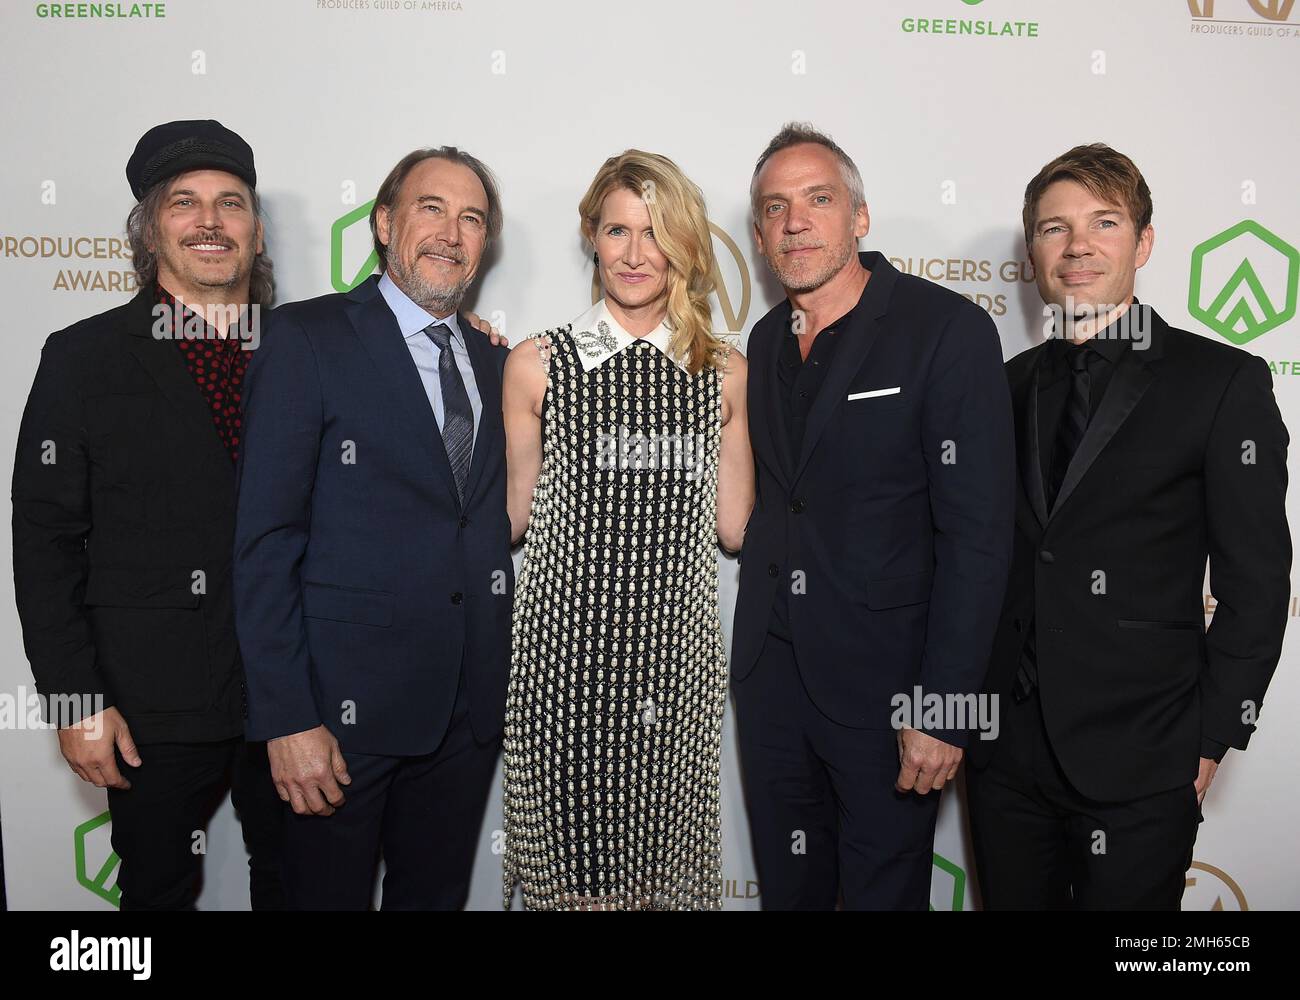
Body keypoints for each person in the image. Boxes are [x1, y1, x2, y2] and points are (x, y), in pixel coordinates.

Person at [965, 143, 1290, 910]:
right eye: (1054, 228)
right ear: (1033, 251)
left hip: (1148, 756)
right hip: (1006, 757)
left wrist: (1209, 743)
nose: (1077, 246)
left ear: (1143, 242)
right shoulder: (1001, 387)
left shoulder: (1221, 382)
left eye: (1103, 223)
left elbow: (1256, 584)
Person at [731, 122, 1015, 910]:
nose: (796, 221)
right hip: (772, 684)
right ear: (759, 234)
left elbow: (980, 532)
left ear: (859, 216)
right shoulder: (763, 340)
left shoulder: (945, 329)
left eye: (819, 200)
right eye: (776, 207)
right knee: (792, 892)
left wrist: (945, 702)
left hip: (892, 692)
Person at [12, 119, 284, 910]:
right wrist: (73, 699)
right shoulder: (83, 357)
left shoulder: (302, 347)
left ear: (256, 231)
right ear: (149, 228)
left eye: (231, 204)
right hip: (146, 701)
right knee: (157, 895)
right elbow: (44, 538)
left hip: (288, 695)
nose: (210, 222)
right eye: (185, 203)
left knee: (304, 888)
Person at [233, 146, 512, 909]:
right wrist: (288, 718)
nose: (451, 233)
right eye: (431, 208)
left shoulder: (497, 364)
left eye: (472, 218)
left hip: (464, 713)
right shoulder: (305, 339)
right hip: (338, 718)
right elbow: (264, 544)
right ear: (384, 221)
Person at [500, 149, 753, 910]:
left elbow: (736, 528)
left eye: (656, 232)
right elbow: (510, 515)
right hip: (565, 669)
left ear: (684, 244)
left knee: (657, 886)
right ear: (591, 237)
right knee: (573, 886)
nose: (636, 254)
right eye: (617, 231)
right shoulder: (538, 365)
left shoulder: (726, 374)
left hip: (674, 669)